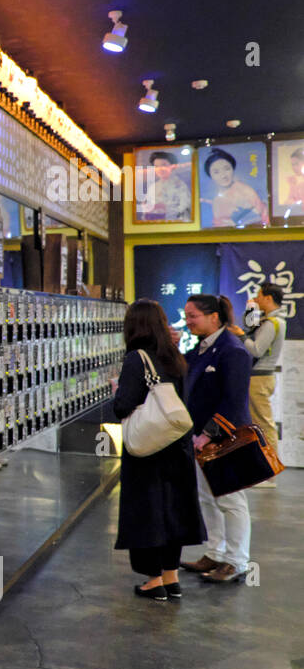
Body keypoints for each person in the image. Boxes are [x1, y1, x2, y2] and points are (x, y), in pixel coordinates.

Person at [111, 300, 204, 601]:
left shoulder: (137, 359)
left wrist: (117, 393)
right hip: (177, 447)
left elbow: (123, 405)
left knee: (148, 512)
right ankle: (171, 577)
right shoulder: (174, 357)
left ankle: (154, 581)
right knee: (173, 510)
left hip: (148, 450)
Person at [179, 293, 254, 583]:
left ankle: (237, 561)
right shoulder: (203, 348)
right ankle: (216, 552)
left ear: (214, 317)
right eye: (186, 316)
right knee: (208, 498)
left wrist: (209, 433)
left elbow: (235, 401)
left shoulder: (233, 350)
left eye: (192, 316)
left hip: (225, 437)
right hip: (200, 439)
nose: (188, 322)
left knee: (231, 500)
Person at [232, 283, 287, 467]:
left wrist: (240, 335)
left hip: (260, 378)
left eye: (259, 295)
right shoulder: (269, 320)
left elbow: (255, 350)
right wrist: (250, 311)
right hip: (260, 378)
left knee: (264, 425)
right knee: (257, 423)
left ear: (268, 298)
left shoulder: (272, 323)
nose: (257, 298)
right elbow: (251, 328)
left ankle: (270, 469)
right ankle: (263, 467)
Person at [201, 147, 268, 227]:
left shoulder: (243, 190)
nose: (223, 175)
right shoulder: (216, 199)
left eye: (227, 169)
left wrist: (238, 223)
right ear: (210, 175)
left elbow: (261, 217)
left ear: (233, 169)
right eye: (216, 172)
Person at [136, 151, 191, 222]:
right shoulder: (153, 187)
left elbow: (185, 209)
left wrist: (164, 208)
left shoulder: (180, 185)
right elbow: (146, 212)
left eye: (164, 165)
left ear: (173, 166)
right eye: (156, 166)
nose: (160, 169)